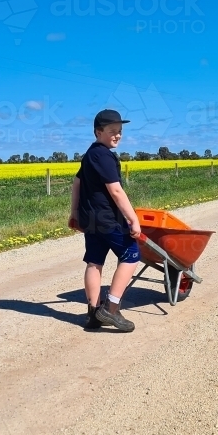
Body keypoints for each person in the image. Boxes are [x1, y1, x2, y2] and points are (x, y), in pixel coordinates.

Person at [68, 109, 142, 332]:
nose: (118, 135)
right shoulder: (104, 155)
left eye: (120, 131)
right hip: (108, 219)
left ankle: (93, 315)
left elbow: (77, 183)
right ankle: (110, 309)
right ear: (98, 132)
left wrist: (73, 213)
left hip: (90, 219)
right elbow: (116, 191)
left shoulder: (90, 154)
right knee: (131, 255)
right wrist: (133, 219)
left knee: (94, 262)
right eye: (112, 131)